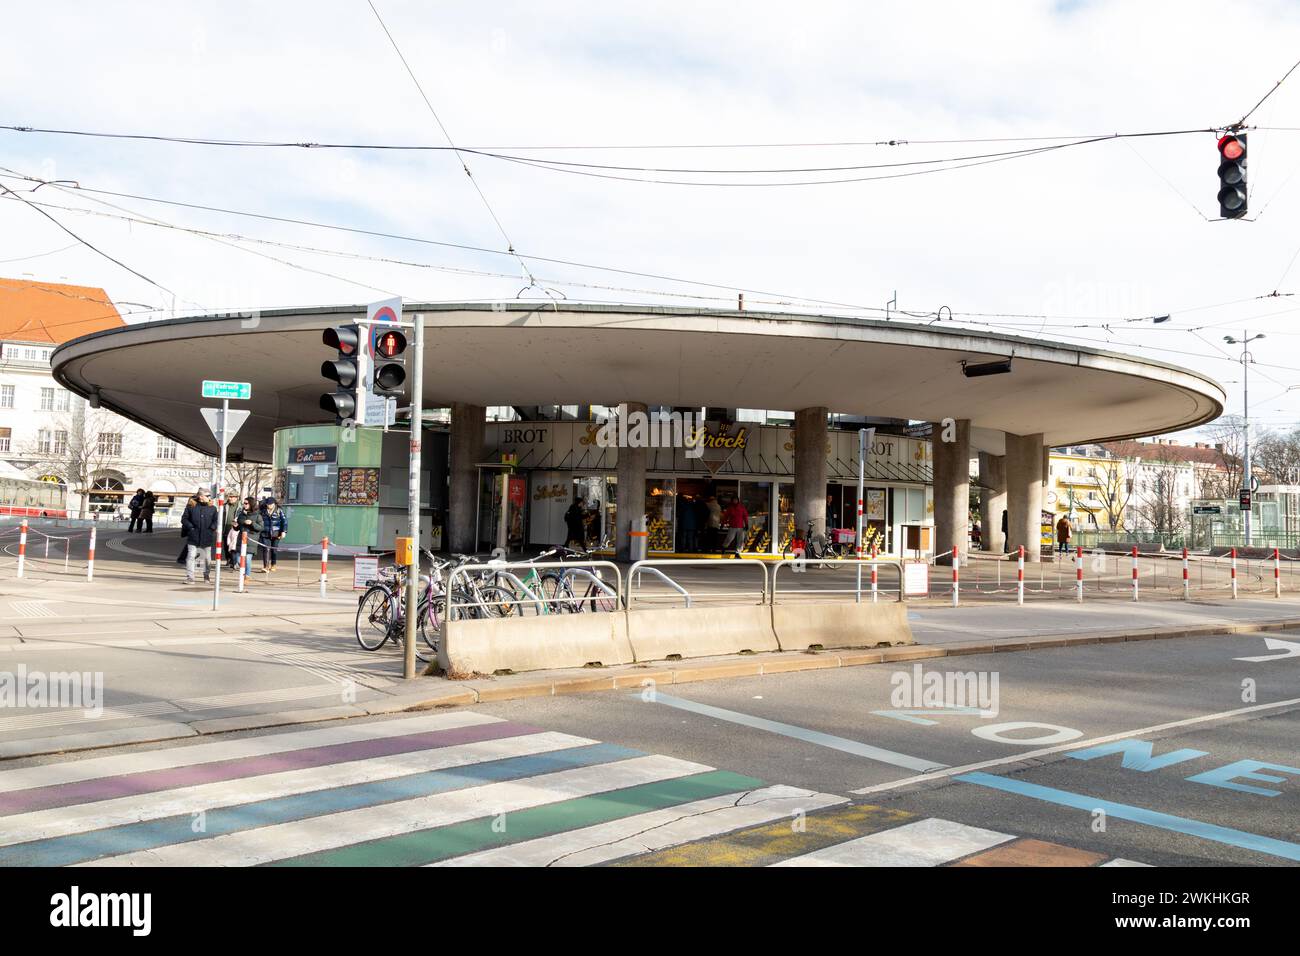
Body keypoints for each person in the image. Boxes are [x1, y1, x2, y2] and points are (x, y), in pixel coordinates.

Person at [181, 488, 219, 584]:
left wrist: (212, 528)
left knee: (207, 558)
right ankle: (190, 577)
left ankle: (206, 575)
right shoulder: (191, 506)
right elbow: (184, 519)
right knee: (191, 556)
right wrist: (191, 528)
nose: (209, 498)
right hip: (193, 537)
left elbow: (216, 520)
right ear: (200, 496)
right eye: (207, 496)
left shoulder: (213, 508)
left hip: (207, 537)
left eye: (209, 496)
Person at [232, 497, 264, 574]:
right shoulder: (241, 514)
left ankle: (247, 575)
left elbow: (261, 528)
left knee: (247, 560)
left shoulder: (257, 515)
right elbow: (239, 527)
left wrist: (252, 523)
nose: (244, 505)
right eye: (244, 503)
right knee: (238, 559)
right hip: (241, 539)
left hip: (251, 540)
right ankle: (244, 573)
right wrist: (235, 526)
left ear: (251, 504)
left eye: (246, 503)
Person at [259, 499, 287, 572]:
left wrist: (284, 531)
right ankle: (266, 566)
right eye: (268, 504)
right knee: (266, 549)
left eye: (270, 504)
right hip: (265, 533)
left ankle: (273, 564)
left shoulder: (279, 510)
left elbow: (284, 521)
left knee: (274, 550)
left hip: (276, 533)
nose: (269, 506)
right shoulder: (263, 511)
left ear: (274, 504)